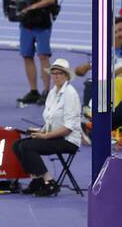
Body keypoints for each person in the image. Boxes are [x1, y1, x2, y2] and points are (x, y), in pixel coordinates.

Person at [11, 58, 82, 197]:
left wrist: (45, 136)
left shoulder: (70, 94)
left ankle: (49, 183)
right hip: (54, 135)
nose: (55, 76)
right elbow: (51, 120)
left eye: (59, 73)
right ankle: (36, 180)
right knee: (17, 144)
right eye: (53, 73)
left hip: (68, 140)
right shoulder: (53, 92)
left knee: (28, 147)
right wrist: (40, 131)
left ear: (66, 75)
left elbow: (68, 128)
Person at [14, 0, 58, 105]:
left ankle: (47, 91)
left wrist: (33, 7)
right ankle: (33, 91)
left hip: (42, 19)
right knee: (26, 55)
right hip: (26, 20)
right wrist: (11, 0)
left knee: (43, 56)